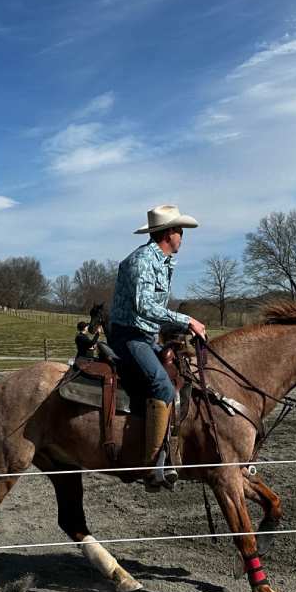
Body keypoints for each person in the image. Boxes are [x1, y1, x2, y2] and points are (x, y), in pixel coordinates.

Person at [108, 204, 207, 489]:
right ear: (168, 233)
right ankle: (152, 466)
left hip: (147, 336)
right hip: (129, 337)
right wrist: (187, 321)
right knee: (163, 387)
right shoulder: (142, 261)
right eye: (180, 231)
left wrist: (181, 329)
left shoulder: (162, 262)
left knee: (182, 374)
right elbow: (145, 306)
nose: (182, 237)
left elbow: (155, 313)